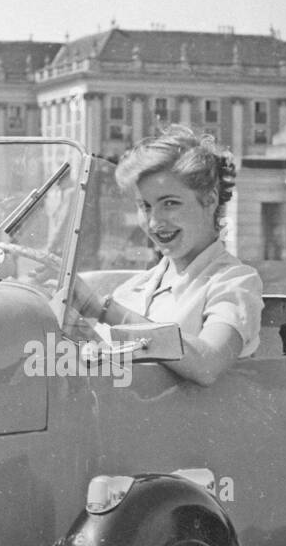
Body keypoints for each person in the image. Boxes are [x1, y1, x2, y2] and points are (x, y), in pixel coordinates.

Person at [72, 125, 263, 386]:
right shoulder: (134, 288)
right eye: (145, 206)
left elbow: (208, 363)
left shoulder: (234, 282)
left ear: (209, 200)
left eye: (170, 203)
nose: (154, 222)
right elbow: (104, 368)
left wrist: (103, 310)